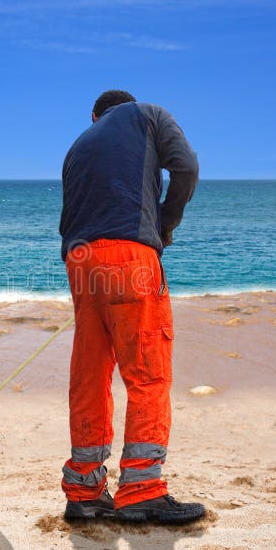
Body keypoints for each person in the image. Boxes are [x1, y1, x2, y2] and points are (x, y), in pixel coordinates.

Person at [59, 89, 204, 524]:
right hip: (129, 257)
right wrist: (165, 223)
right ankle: (142, 488)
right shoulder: (148, 114)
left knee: (90, 374)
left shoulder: (77, 147)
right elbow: (187, 168)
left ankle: (84, 491)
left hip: (80, 261)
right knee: (147, 372)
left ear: (94, 115)